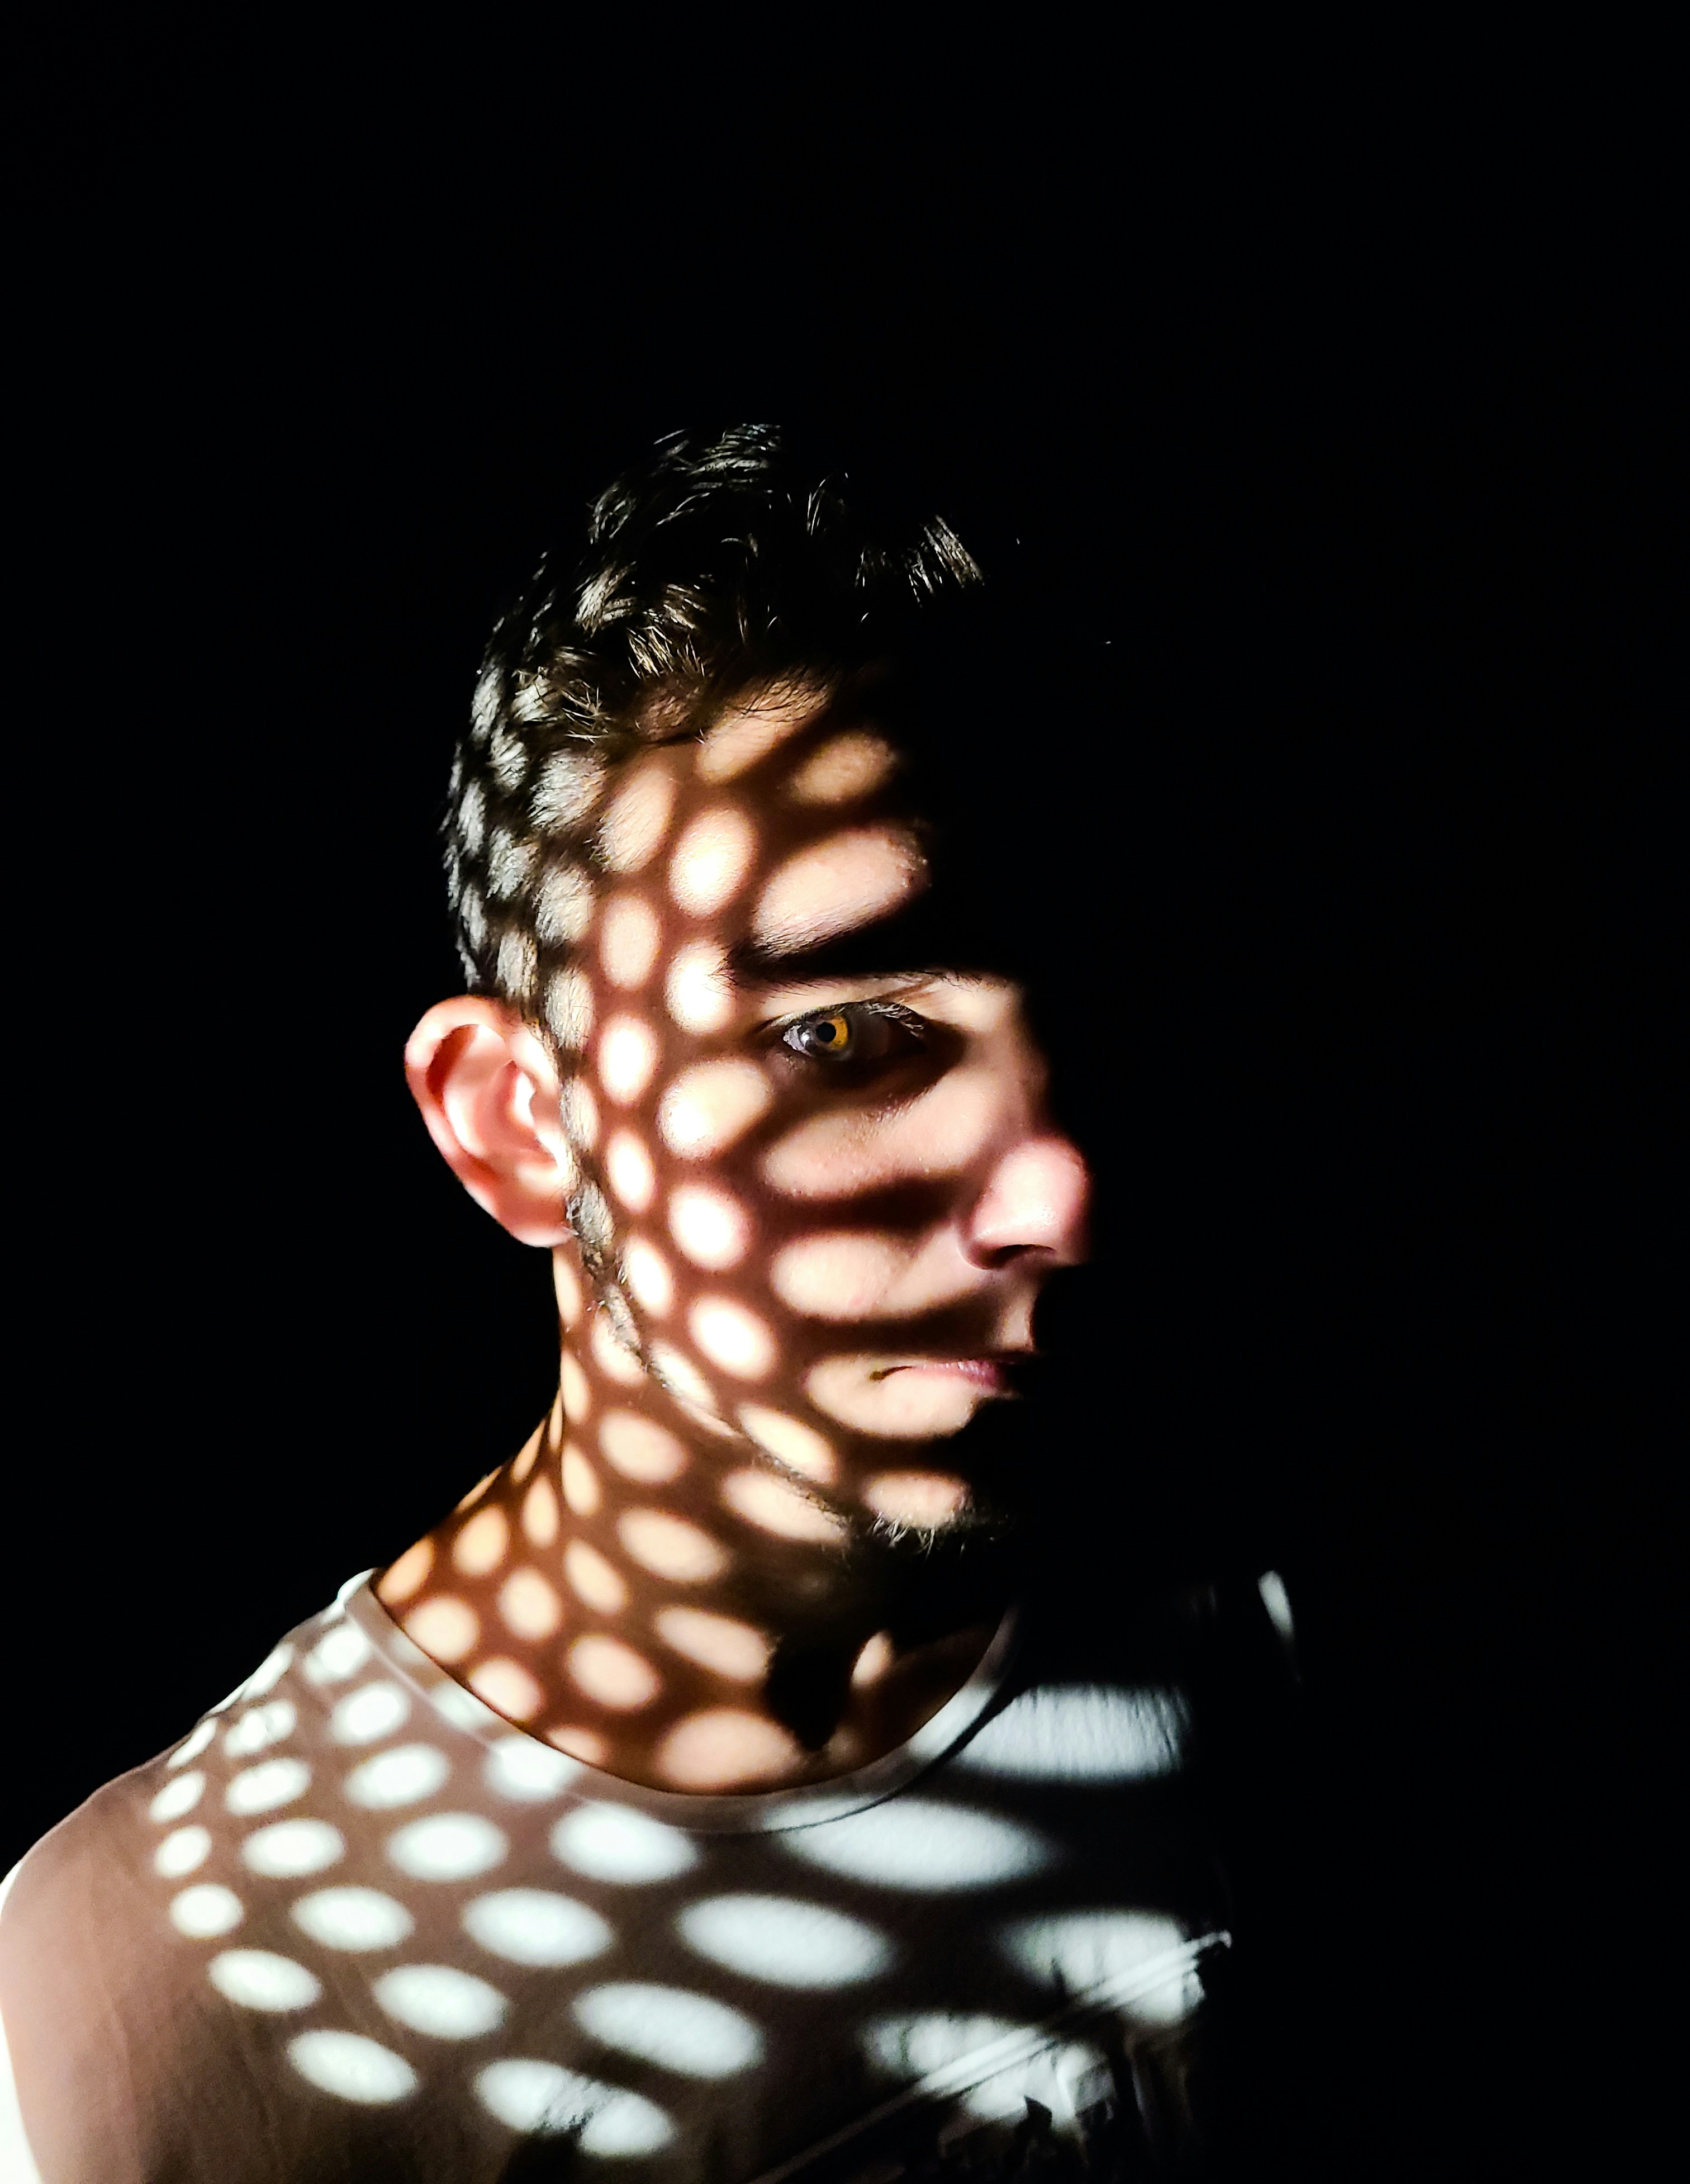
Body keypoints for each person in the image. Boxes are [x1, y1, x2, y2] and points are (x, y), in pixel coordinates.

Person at [0, 427, 1301, 2181]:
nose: (1059, 1193)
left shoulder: (1235, 1617)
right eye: (841, 1034)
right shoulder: (146, 2009)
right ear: (519, 1128)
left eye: (1073, 1009)